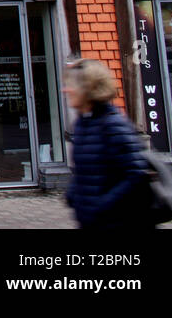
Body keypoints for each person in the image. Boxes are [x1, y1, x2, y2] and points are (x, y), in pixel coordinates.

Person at [63, 59, 153, 230]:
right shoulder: (83, 124)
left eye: (71, 85)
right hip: (91, 221)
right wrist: (73, 194)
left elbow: (135, 175)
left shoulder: (113, 125)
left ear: (88, 88)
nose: (65, 89)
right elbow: (84, 169)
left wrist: (101, 206)